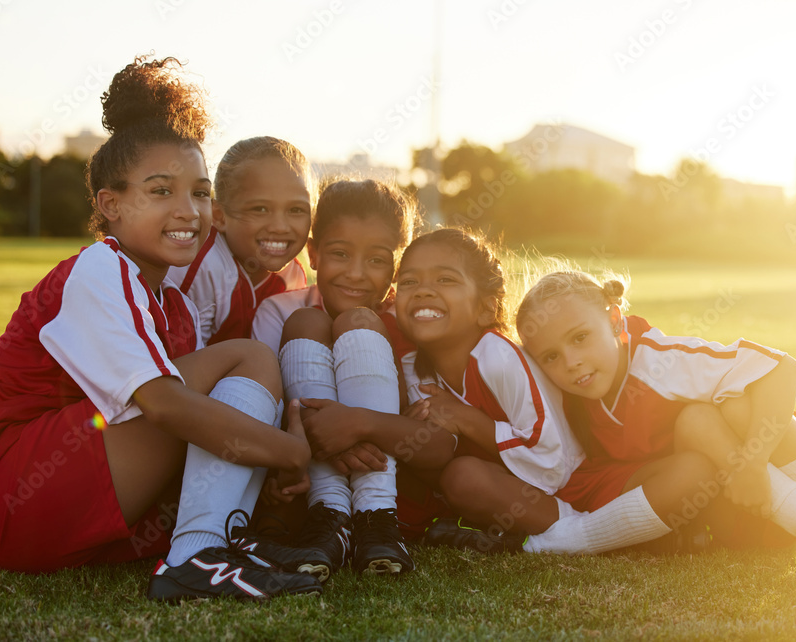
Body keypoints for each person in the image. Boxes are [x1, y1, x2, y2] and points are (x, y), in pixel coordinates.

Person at [0, 55, 322, 601]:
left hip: (62, 502)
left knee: (235, 376)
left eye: (198, 192)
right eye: (160, 190)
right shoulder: (101, 267)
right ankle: (195, 557)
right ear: (111, 205)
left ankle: (214, 547)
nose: (188, 209)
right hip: (9, 500)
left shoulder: (173, 300)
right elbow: (166, 407)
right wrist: (290, 452)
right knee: (246, 359)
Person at [299, 229, 720, 557]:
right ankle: (632, 536)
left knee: (694, 471)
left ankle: (578, 537)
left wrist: (469, 422)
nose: (424, 291)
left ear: (485, 308)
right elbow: (439, 452)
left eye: (445, 280)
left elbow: (554, 461)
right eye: (409, 283)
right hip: (514, 491)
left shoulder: (497, 357)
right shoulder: (411, 366)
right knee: (462, 478)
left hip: (577, 482)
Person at [515, 269, 796, 576]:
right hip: (721, 518)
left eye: (580, 338)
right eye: (550, 356)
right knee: (696, 422)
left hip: (756, 496)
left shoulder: (661, 359)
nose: (571, 363)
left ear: (613, 320)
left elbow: (781, 368)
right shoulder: (560, 392)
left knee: (721, 411)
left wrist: (750, 463)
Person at [250, 179, 419, 579]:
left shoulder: (405, 324)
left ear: (396, 267)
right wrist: (326, 431)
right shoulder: (280, 312)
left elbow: (416, 422)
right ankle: (330, 515)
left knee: (361, 321)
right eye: (340, 254)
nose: (356, 274)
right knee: (307, 321)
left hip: (389, 470)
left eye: (377, 260)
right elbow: (270, 405)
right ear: (313, 253)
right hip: (303, 466)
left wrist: (355, 425)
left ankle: (377, 516)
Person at [169, 136, 313, 346]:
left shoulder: (293, 276)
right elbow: (180, 361)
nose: (280, 227)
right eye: (260, 209)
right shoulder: (201, 266)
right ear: (218, 215)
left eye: (296, 210)